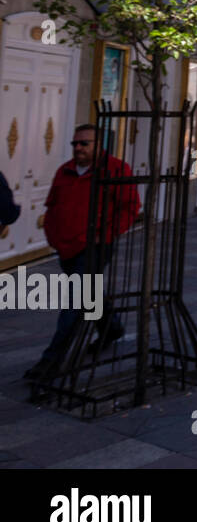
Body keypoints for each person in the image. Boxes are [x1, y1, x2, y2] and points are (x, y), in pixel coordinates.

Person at [24, 125, 140, 380]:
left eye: (84, 144)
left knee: (75, 302)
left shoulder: (115, 170)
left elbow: (130, 207)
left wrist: (106, 235)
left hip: (95, 246)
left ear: (98, 145)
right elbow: (52, 205)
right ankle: (111, 327)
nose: (78, 148)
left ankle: (51, 361)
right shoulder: (64, 171)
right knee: (90, 291)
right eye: (75, 144)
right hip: (66, 246)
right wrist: (53, 236)